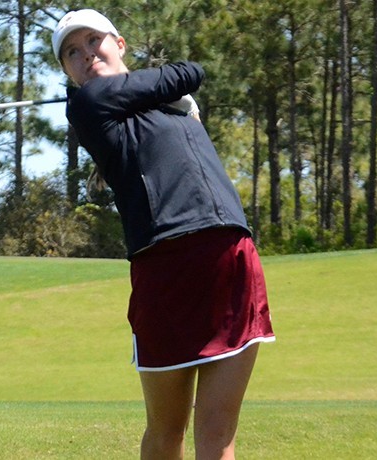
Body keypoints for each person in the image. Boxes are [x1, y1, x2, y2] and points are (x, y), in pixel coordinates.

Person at [53, 9, 275, 460]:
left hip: (230, 253)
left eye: (93, 40)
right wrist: (174, 96)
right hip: (165, 267)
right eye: (72, 52)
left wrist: (175, 102)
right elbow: (187, 72)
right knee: (167, 431)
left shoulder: (166, 105)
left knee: (218, 434)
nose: (86, 54)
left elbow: (187, 78)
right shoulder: (87, 104)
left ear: (120, 43)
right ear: (69, 73)